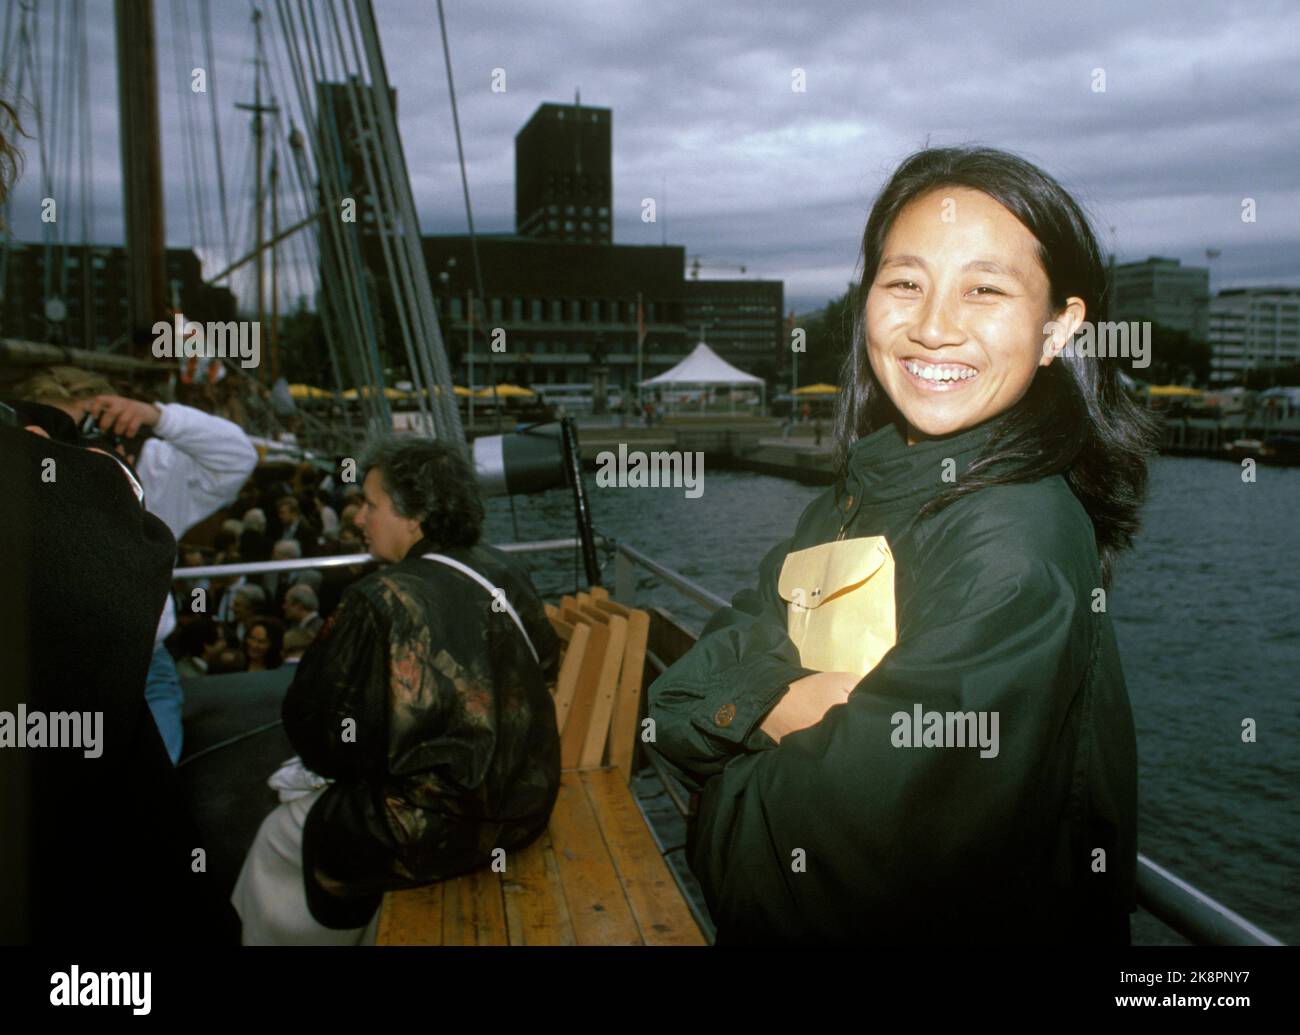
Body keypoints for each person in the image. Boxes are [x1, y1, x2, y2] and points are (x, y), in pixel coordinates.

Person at [648, 146, 1162, 945]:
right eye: (905, 282)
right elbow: (680, 694)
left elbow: (793, 882)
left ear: (1059, 327)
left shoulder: (1012, 542)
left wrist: (729, 753)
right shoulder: (861, 491)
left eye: (984, 289)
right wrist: (782, 703)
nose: (931, 327)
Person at [232, 437, 562, 945]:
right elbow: (543, 664)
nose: (359, 517)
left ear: (418, 514)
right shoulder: (503, 569)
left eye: (371, 503)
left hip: (437, 827)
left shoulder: (377, 599)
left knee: (280, 836)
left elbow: (316, 731)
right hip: (522, 805)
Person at [15, 365, 258, 763]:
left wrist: (159, 416)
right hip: (44, 667)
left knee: (150, 790)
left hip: (144, 661)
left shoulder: (152, 470)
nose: (69, 445)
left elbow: (237, 457)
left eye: (82, 428)